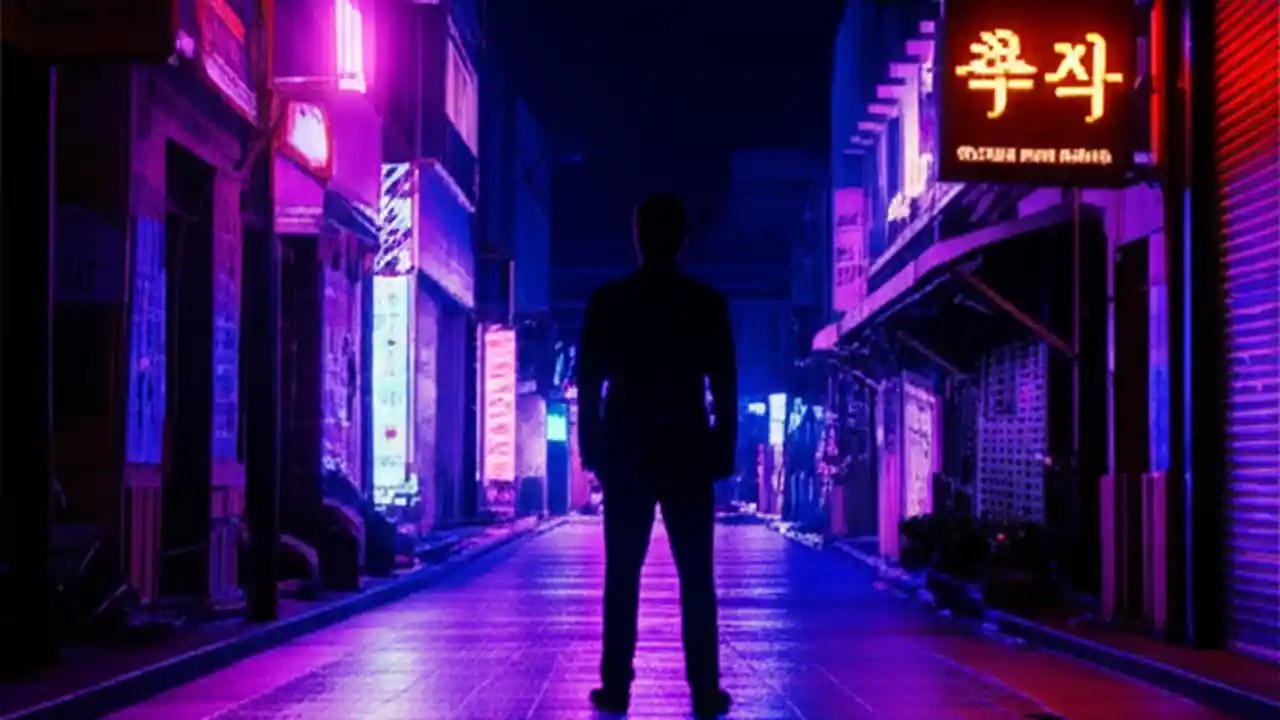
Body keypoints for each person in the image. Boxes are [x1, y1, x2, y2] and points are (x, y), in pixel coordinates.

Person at [577, 193, 737, 718]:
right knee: (697, 578)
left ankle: (616, 685)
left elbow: (590, 381)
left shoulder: (609, 301)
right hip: (688, 447)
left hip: (626, 448)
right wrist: (722, 449)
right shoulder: (706, 303)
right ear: (683, 239)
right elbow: (724, 384)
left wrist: (592, 447)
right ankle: (705, 688)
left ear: (637, 236)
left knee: (622, 574)